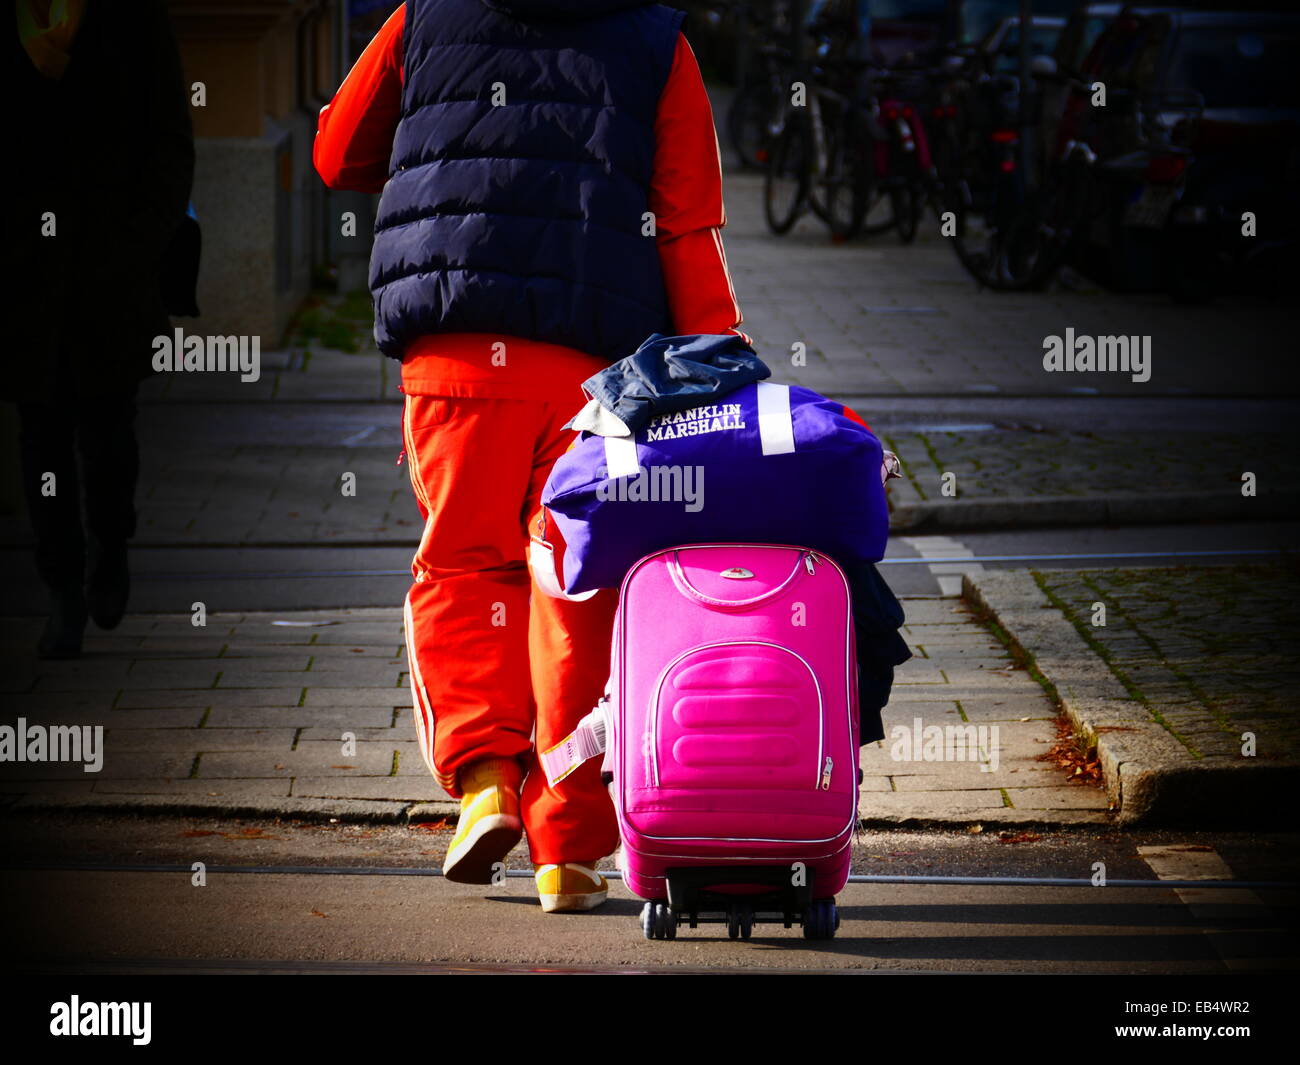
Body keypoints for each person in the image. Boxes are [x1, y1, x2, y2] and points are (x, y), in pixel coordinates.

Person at [313, 0, 749, 912]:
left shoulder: (422, 16)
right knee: (576, 586)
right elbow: (685, 220)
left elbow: (337, 154)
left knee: (464, 562)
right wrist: (720, 366)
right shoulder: (657, 39)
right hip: (598, 369)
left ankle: (483, 784)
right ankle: (571, 849)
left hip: (455, 346)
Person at [8, 0, 195, 658]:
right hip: (27, 271)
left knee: (108, 424)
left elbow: (170, 139)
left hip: (110, 265)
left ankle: (110, 543)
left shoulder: (130, 14)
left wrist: (138, 243)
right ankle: (62, 587)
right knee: (42, 432)